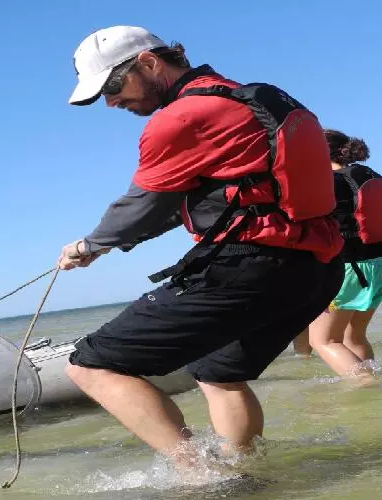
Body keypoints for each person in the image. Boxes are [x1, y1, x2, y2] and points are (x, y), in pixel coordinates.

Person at [58, 25, 344, 468]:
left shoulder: (181, 118)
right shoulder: (254, 97)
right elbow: (211, 201)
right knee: (218, 373)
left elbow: (142, 205)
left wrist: (89, 243)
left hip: (252, 265)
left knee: (89, 364)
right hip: (315, 268)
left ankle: (197, 475)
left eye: (113, 88)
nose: (112, 102)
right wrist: (106, 246)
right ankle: (245, 470)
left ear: (149, 63)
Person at [293, 131, 382, 378]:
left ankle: (366, 386)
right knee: (354, 336)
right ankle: (371, 393)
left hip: (349, 268)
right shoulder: (371, 175)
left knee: (324, 340)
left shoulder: (328, 182)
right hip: (377, 265)